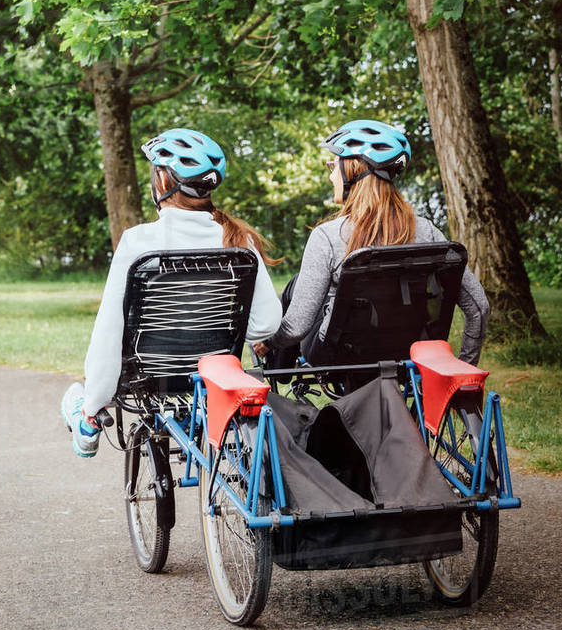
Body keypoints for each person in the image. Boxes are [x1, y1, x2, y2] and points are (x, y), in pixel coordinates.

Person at [61, 127, 283, 458]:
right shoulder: (237, 241)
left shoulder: (138, 242)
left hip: (152, 374)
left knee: (73, 398)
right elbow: (266, 324)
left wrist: (94, 405)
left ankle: (84, 421)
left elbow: (110, 331)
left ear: (163, 181)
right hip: (215, 372)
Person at [254, 119, 489, 368]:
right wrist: (466, 367)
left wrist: (269, 342)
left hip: (338, 355)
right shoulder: (428, 231)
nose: (332, 174)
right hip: (409, 349)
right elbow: (479, 307)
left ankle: (278, 374)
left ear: (353, 169)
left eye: (335, 165)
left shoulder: (328, 236)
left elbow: (297, 327)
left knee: (296, 285)